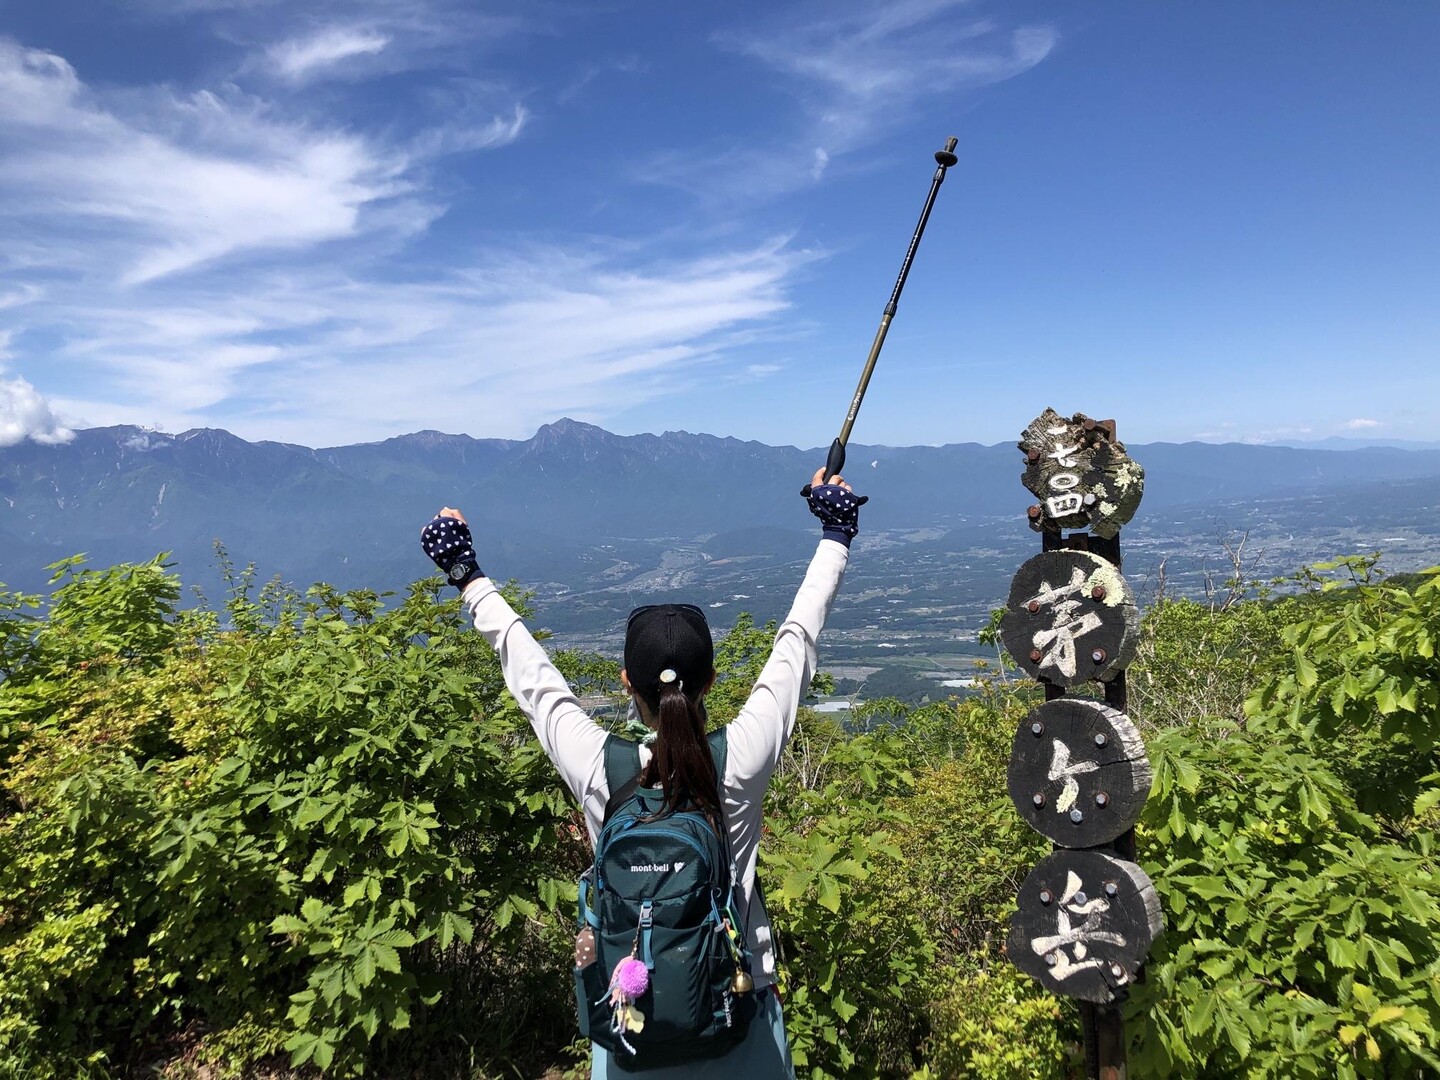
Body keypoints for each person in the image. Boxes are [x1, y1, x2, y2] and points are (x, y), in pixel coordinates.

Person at [419, 467, 865, 1078]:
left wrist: (465, 571)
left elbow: (530, 673)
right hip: (739, 1009)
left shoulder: (597, 763)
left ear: (626, 684)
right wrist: (836, 531)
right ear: (710, 681)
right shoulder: (739, 757)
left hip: (630, 1021)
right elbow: (798, 639)